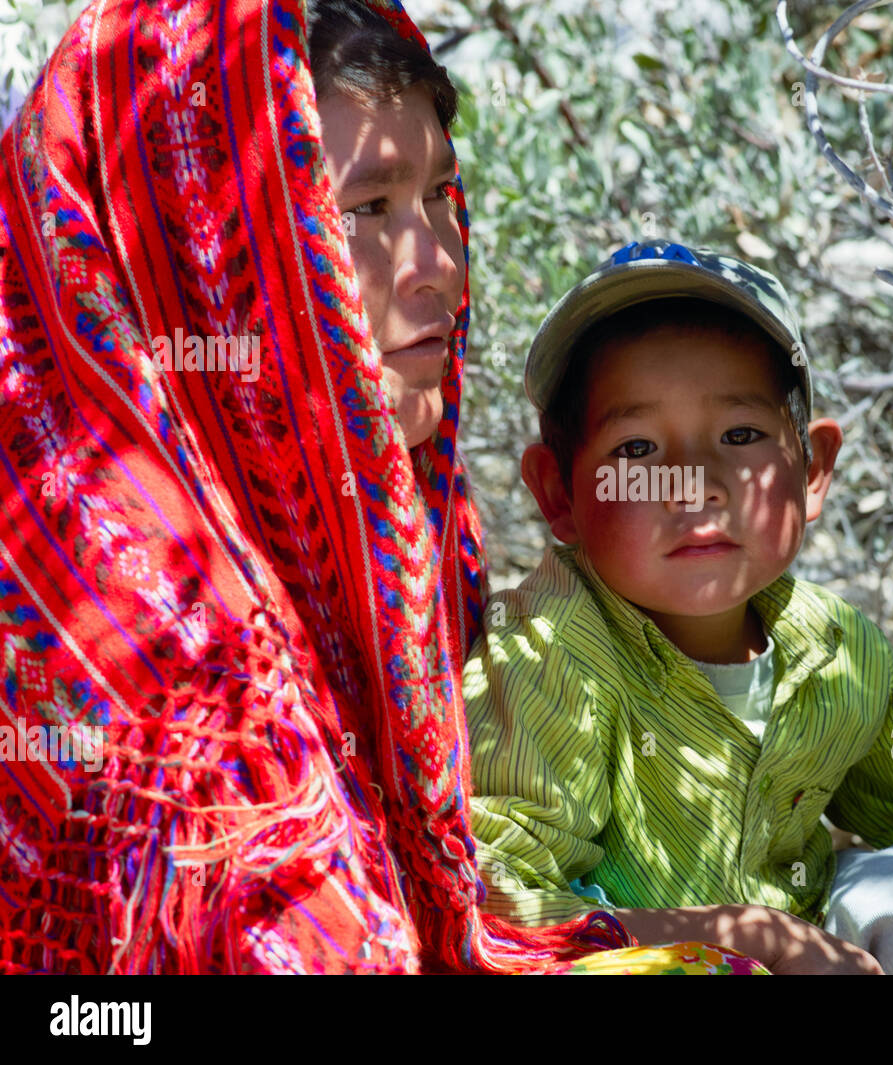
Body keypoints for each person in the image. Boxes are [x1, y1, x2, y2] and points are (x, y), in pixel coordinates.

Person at [0, 0, 771, 975]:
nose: (440, 268)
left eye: (441, 196)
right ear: (201, 261)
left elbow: (442, 914)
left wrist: (709, 935)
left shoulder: (381, 573)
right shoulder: (182, 726)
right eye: (364, 210)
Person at [465, 240, 893, 974]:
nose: (696, 485)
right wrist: (745, 935)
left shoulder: (834, 648)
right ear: (558, 495)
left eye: (740, 435)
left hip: (808, 939)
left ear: (813, 469)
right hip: (639, 956)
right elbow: (502, 903)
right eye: (636, 450)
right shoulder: (544, 652)